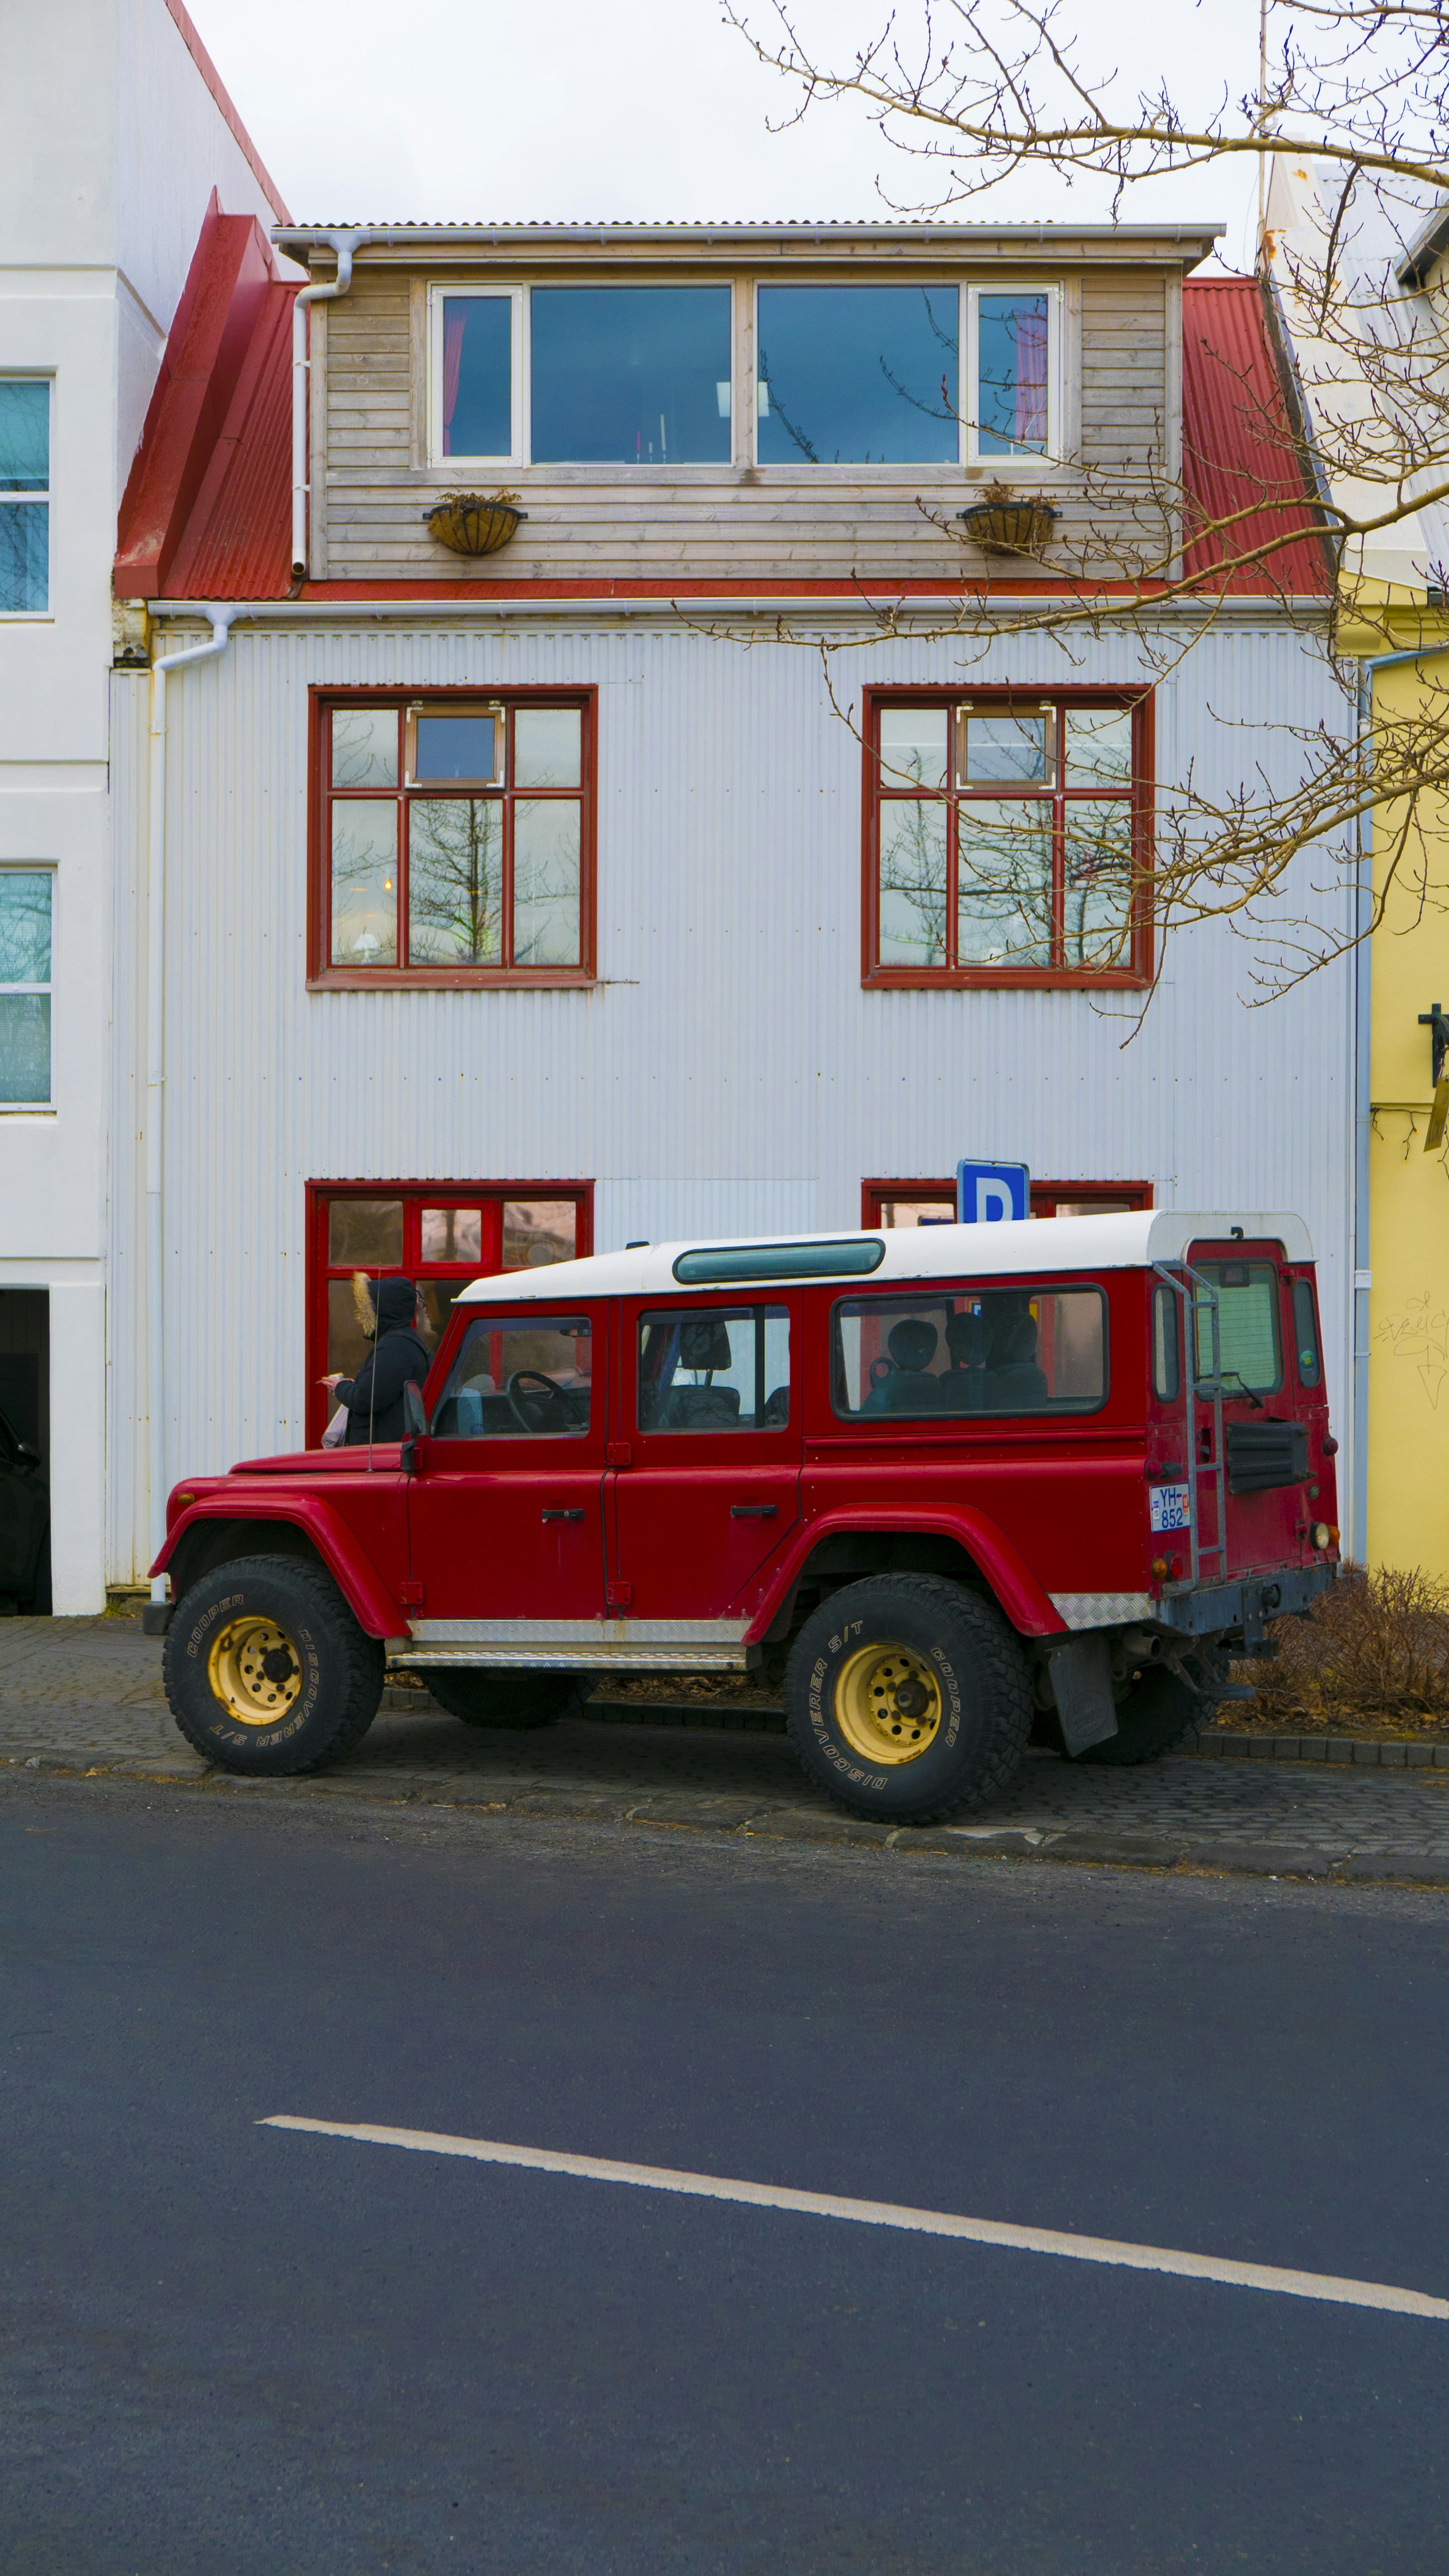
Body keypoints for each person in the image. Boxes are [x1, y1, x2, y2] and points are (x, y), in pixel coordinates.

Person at [320, 1275, 432, 1446]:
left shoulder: (395, 1346)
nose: (362, 1316)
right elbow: (379, 1390)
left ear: (385, 1309)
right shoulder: (399, 1342)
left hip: (381, 1455)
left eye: (369, 1309)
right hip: (386, 1451)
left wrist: (341, 1387)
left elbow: (367, 1399)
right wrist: (353, 1385)